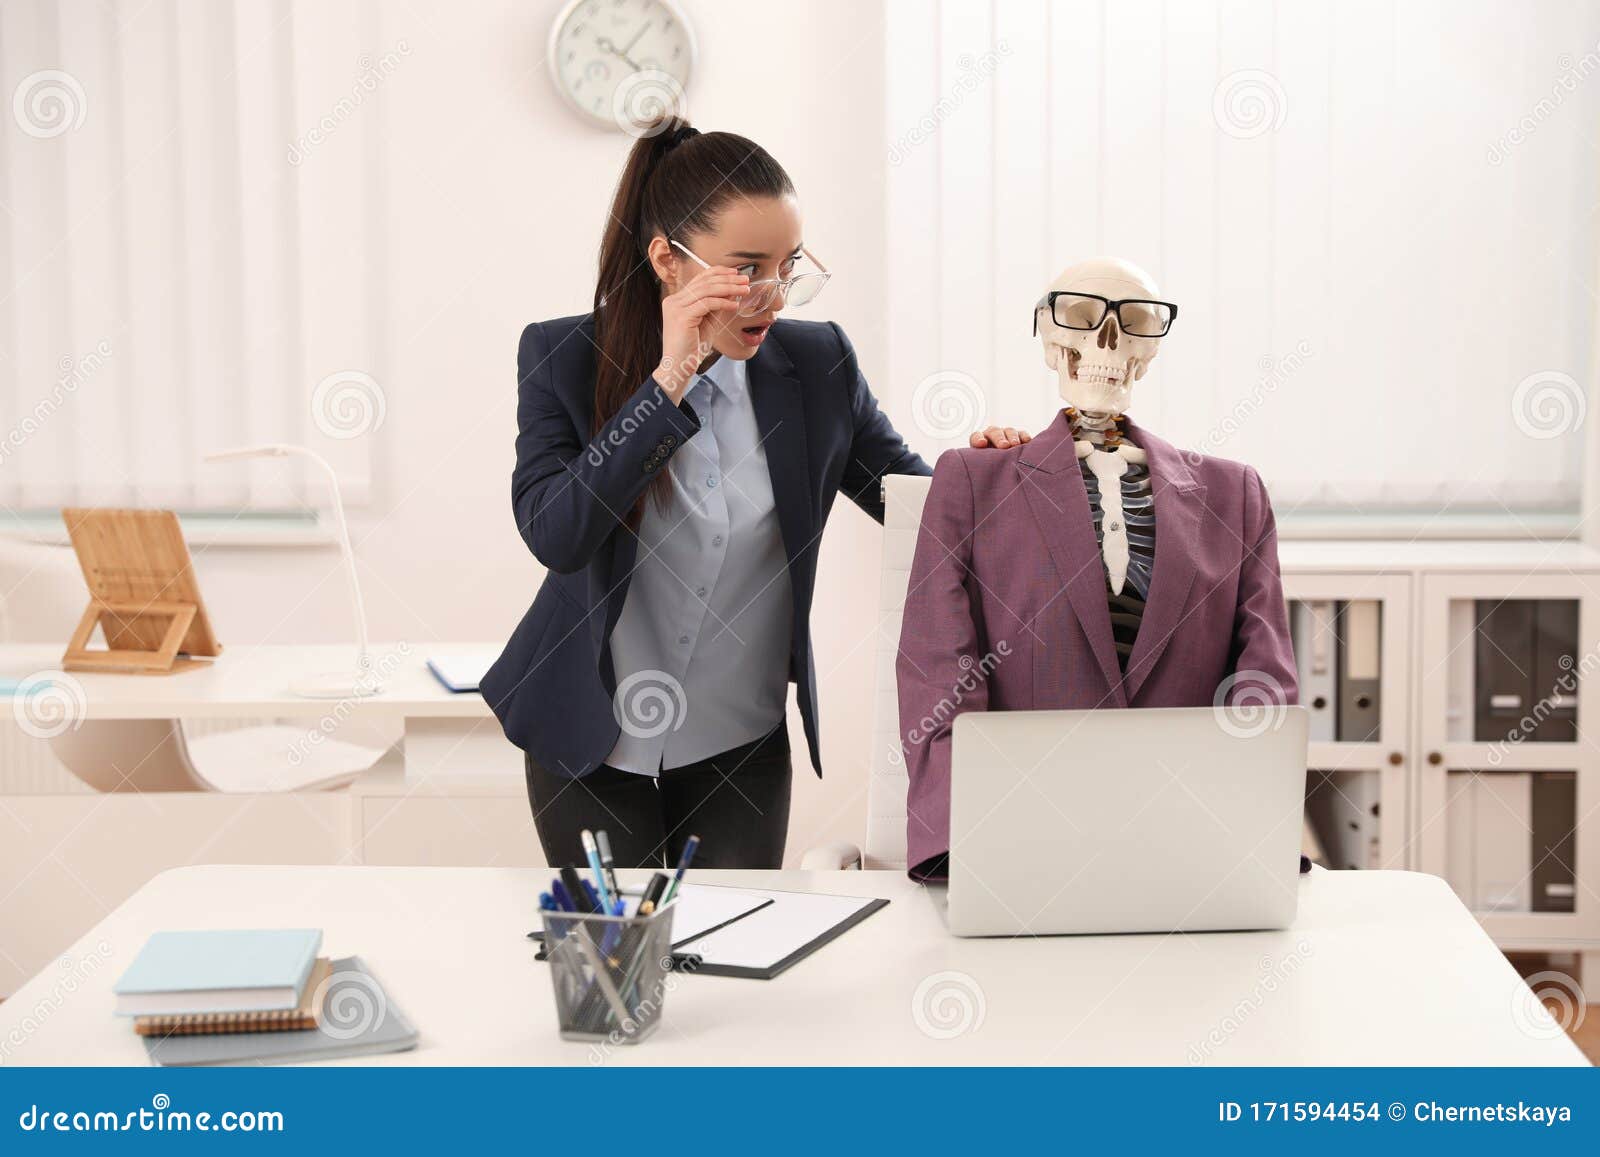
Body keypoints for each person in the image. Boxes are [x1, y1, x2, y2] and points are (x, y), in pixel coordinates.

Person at [481, 116, 1029, 870]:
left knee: (733, 969)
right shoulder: (563, 356)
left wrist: (991, 479)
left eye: (789, 264)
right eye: (747, 269)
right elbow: (558, 531)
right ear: (668, 262)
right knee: (620, 976)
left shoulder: (818, 365)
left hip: (739, 748)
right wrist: (668, 382)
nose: (774, 297)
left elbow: (911, 505)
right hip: (588, 743)